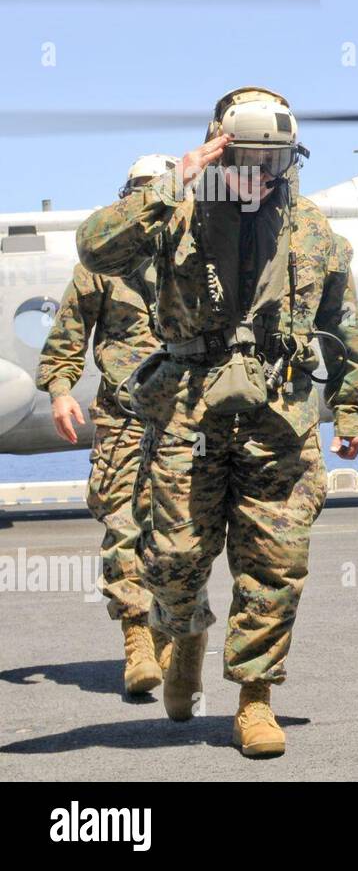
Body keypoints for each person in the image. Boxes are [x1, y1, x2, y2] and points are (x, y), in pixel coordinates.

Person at [76, 87, 358, 758]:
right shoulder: (173, 213)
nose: (262, 174)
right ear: (220, 149)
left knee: (275, 566)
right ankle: (184, 638)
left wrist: (352, 404)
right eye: (248, 159)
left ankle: (254, 701)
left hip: (280, 417)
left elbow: (343, 322)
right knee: (174, 559)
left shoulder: (314, 230)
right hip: (188, 412)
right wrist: (176, 180)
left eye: (275, 161)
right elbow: (95, 249)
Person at [36, 154, 177, 697]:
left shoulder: (196, 258)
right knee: (123, 523)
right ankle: (137, 636)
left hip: (186, 418)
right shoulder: (100, 263)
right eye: (140, 192)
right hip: (123, 414)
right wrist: (60, 392)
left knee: (179, 532)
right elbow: (68, 334)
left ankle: (169, 629)